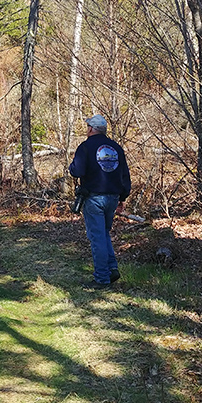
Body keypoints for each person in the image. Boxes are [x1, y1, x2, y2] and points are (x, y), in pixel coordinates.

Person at [69, 114, 131, 289]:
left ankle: (102, 278)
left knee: (97, 238)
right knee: (103, 234)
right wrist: (123, 198)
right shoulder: (116, 148)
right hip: (112, 197)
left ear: (91, 129)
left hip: (93, 198)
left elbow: (77, 171)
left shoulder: (86, 147)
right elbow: (125, 175)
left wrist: (71, 167)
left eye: (88, 126)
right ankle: (111, 269)